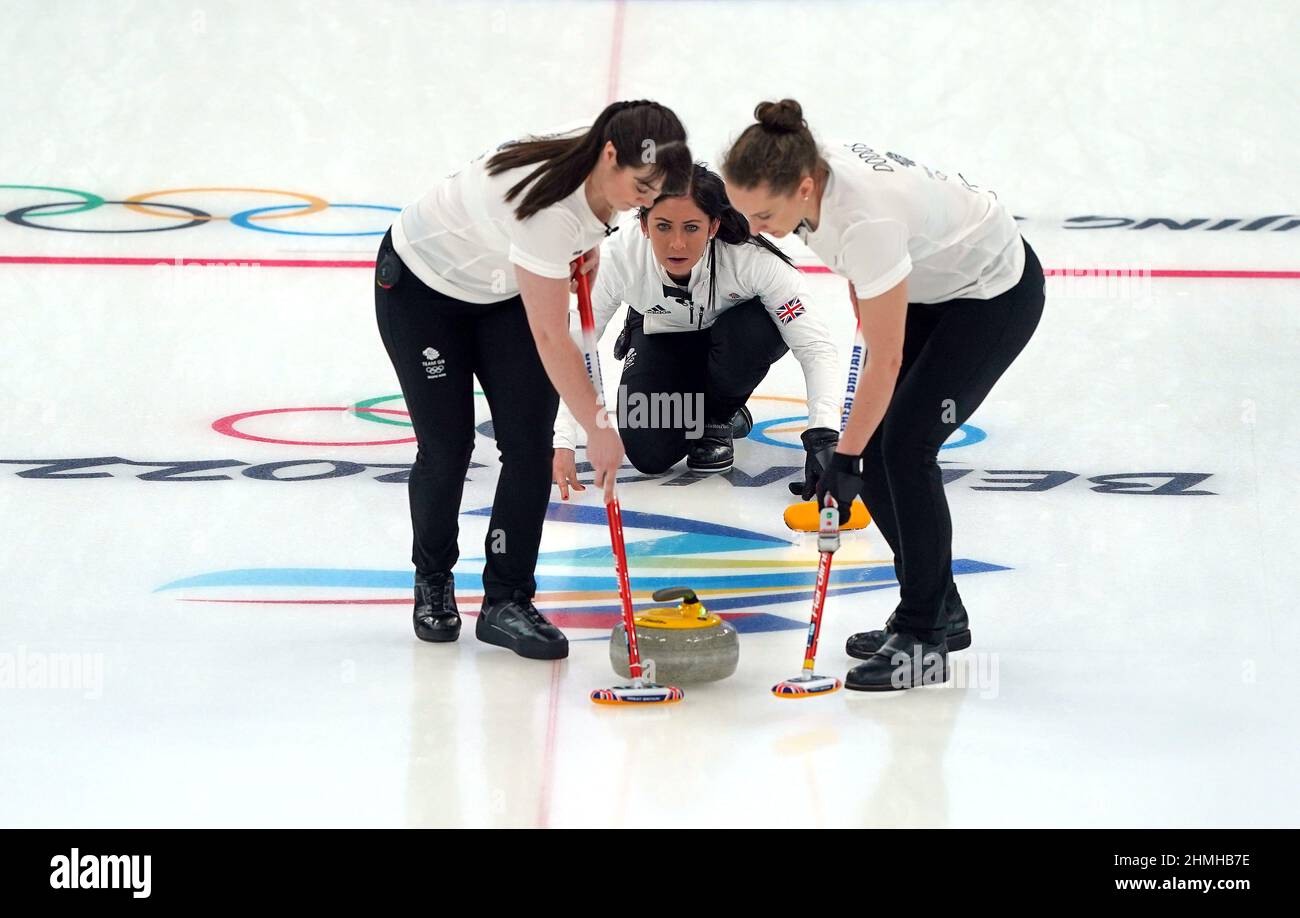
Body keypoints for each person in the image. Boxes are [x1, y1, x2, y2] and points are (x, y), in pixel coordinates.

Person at [723, 99, 1046, 691]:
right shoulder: (813, 191)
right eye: (745, 214)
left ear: (802, 187)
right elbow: (868, 313)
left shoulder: (863, 218)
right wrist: (850, 452)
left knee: (902, 449)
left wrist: (845, 456)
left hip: (992, 296)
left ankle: (923, 638)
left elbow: (886, 355)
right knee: (875, 451)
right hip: (931, 287)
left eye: (764, 214)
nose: (755, 229)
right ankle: (938, 607)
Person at [375, 101, 691, 661]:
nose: (645, 200)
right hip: (423, 293)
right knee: (448, 447)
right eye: (640, 187)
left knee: (528, 446)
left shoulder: (598, 156)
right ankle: (433, 580)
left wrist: (586, 241)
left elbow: (579, 219)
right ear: (610, 155)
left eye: (655, 190)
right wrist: (598, 426)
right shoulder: (544, 208)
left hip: (501, 289)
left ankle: (506, 600)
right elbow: (552, 337)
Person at [551, 163, 841, 493]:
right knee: (649, 454)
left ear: (713, 226)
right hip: (659, 331)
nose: (677, 244)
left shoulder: (750, 257)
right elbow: (576, 346)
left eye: (691, 228)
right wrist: (563, 440)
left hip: (731, 337)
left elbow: (815, 346)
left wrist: (823, 436)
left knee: (760, 328)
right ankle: (706, 403)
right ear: (644, 225)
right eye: (663, 226)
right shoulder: (619, 257)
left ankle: (720, 415)